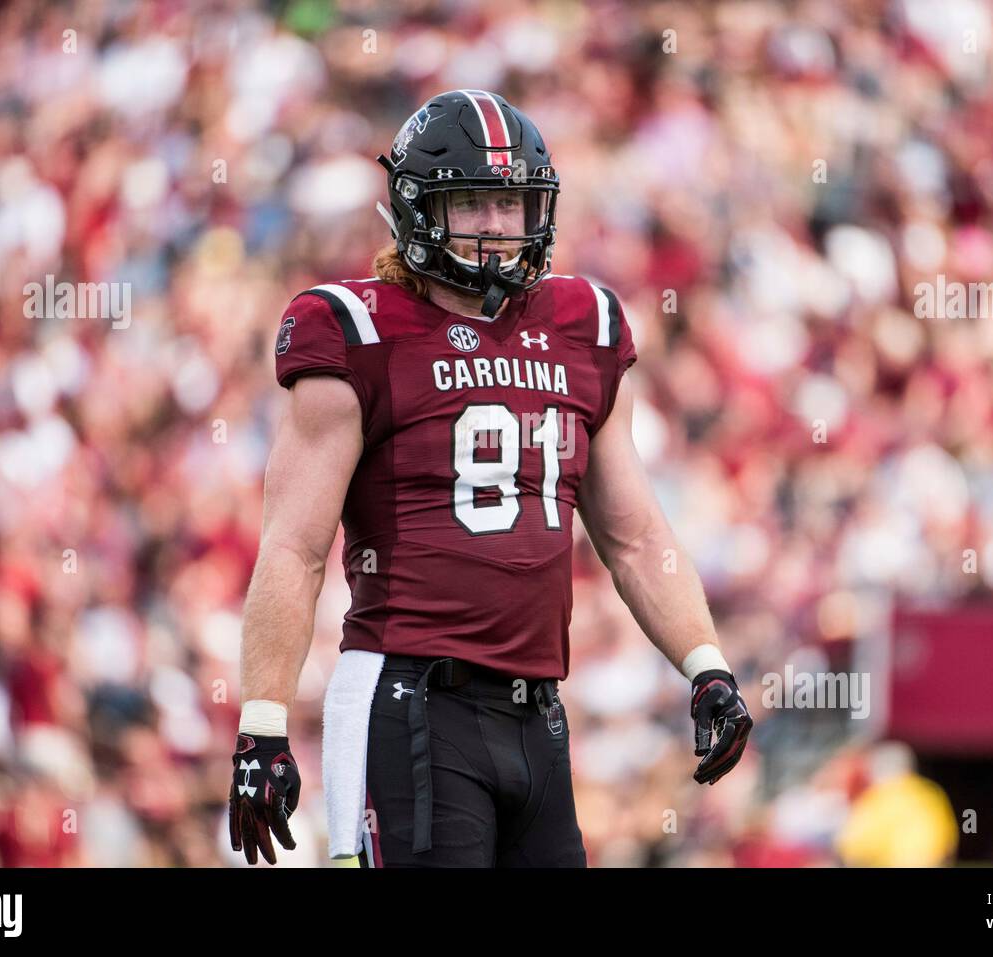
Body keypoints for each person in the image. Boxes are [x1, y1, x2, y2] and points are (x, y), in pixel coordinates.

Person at [226, 90, 753, 867]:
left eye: (512, 203)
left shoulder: (587, 325)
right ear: (416, 209)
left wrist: (705, 665)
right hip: (410, 699)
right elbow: (293, 548)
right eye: (473, 202)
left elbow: (636, 534)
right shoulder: (356, 329)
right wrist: (263, 719)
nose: (499, 226)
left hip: (538, 710)